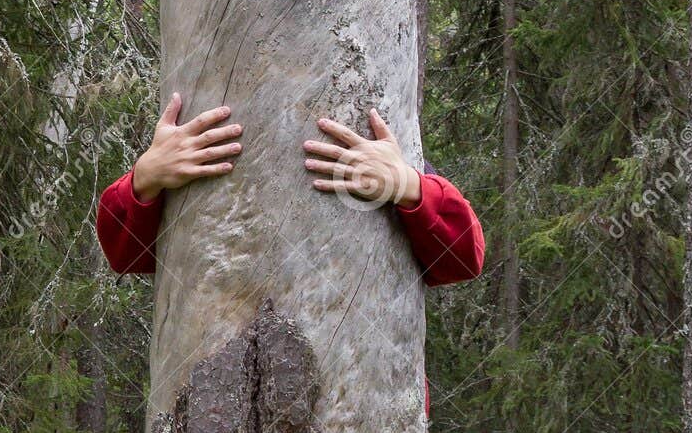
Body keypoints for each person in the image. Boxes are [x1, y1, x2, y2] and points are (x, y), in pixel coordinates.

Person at [96, 93, 485, 297]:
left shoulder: (380, 155)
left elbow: (464, 259)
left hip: (362, 410)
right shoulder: (197, 143)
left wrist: (408, 184)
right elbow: (125, 254)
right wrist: (143, 180)